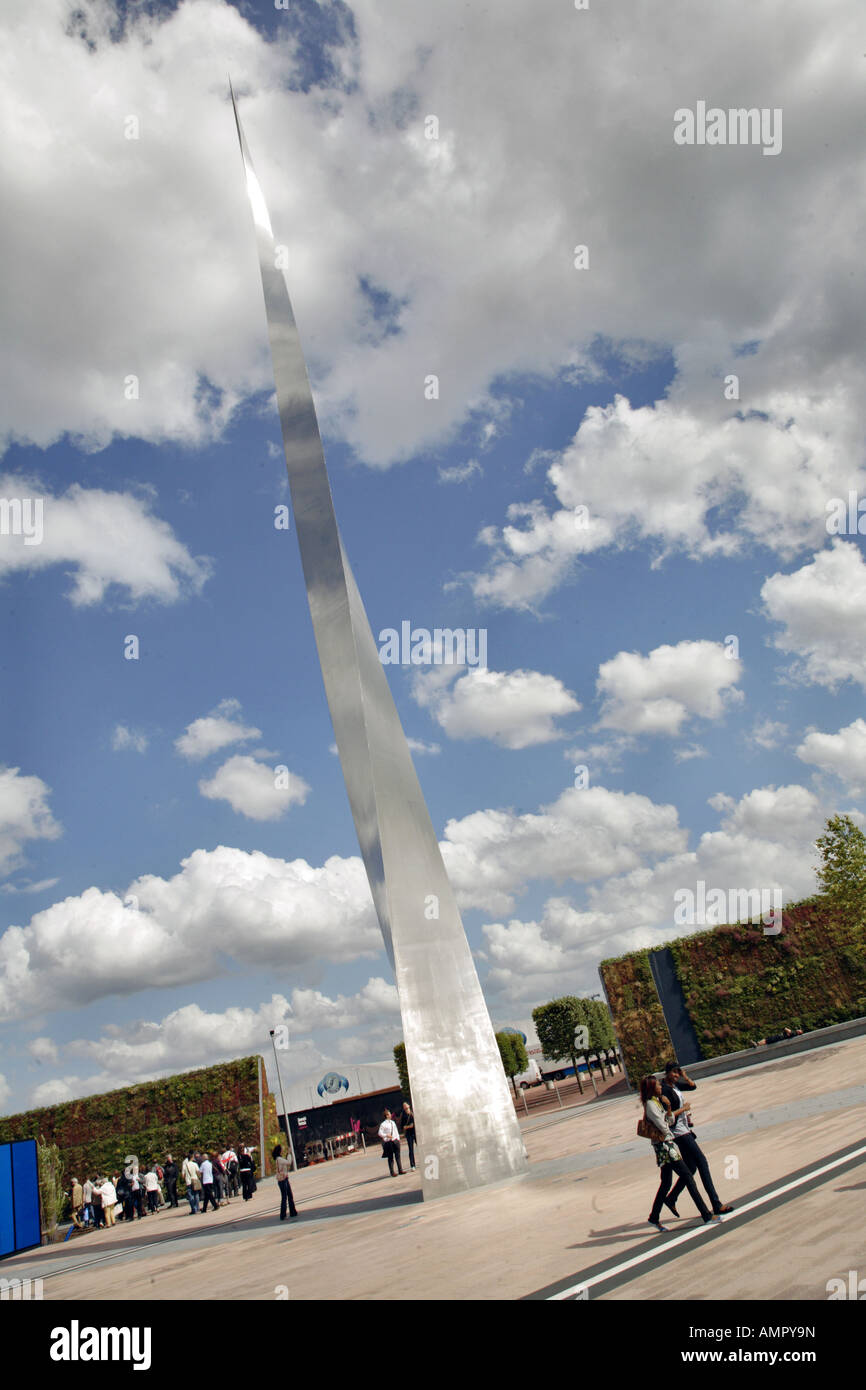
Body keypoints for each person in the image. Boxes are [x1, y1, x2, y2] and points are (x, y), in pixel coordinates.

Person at [640, 1076, 721, 1232]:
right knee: (688, 1177)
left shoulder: (657, 1101)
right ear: (651, 1088)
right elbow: (663, 1125)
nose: (660, 1086)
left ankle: (653, 1217)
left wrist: (669, 1107)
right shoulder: (650, 1104)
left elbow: (669, 1121)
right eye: (657, 1084)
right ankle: (706, 1215)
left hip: (666, 1145)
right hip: (665, 1147)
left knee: (666, 1183)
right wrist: (670, 1136)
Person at [661, 1062, 733, 1219]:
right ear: (667, 1073)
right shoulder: (665, 1090)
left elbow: (693, 1087)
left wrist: (685, 1076)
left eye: (678, 1073)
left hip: (684, 1130)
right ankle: (716, 1204)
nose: (676, 1076)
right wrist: (684, 1110)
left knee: (691, 1168)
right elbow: (668, 1118)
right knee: (702, 1162)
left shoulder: (675, 1085)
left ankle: (671, 1198)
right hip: (679, 1133)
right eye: (674, 1073)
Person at [272, 1144, 298, 1220]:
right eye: (281, 1149)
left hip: (284, 1179)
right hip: (283, 1180)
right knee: (285, 1197)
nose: (282, 1150)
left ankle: (292, 1211)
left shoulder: (279, 1159)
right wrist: (289, 1154)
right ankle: (283, 1215)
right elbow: (289, 1162)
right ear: (279, 1151)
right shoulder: (279, 1159)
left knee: (289, 1195)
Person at [378, 1110, 405, 1177]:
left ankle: (400, 1170)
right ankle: (392, 1172)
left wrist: (398, 1139)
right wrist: (386, 1135)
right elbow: (380, 1133)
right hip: (388, 1142)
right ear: (386, 1115)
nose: (391, 1115)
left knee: (398, 1156)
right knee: (390, 1157)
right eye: (389, 1114)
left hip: (395, 1140)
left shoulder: (393, 1122)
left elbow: (396, 1131)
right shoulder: (383, 1124)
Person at [399, 1102, 417, 1170]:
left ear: (409, 1106)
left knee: (421, 1147)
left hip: (415, 1133)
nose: (406, 1108)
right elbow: (402, 1127)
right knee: (411, 1150)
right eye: (404, 1107)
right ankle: (412, 1165)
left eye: (407, 1106)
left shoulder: (413, 1113)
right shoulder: (403, 1116)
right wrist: (409, 1126)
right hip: (409, 1134)